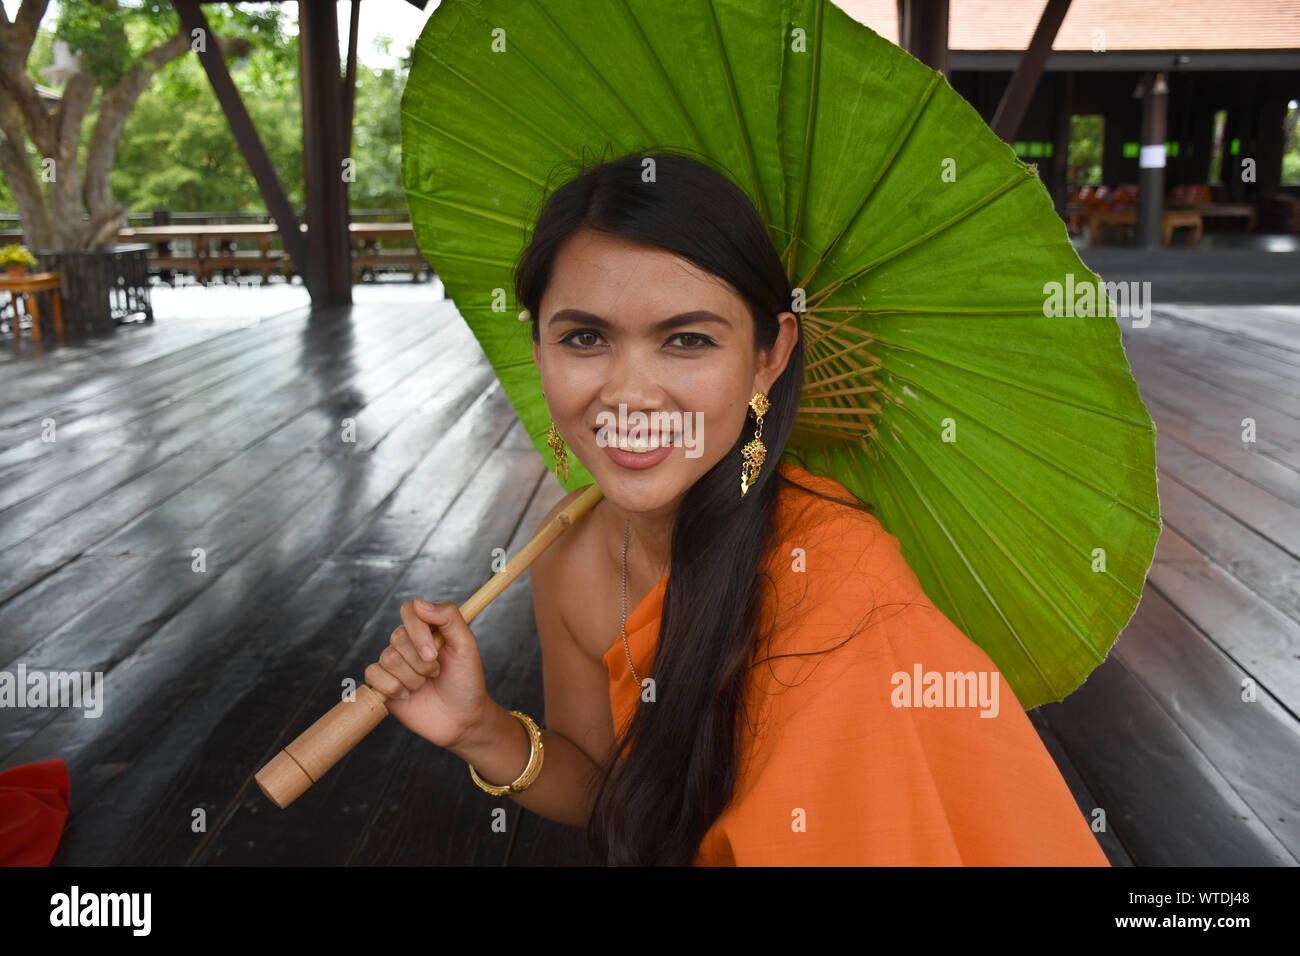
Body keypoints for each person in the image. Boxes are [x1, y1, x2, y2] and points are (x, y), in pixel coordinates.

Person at [366, 148, 1110, 867]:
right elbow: (611, 792)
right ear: (537, 350)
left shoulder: (840, 579)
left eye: (687, 340)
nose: (628, 393)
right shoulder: (564, 554)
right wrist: (478, 729)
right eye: (584, 337)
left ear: (769, 357)